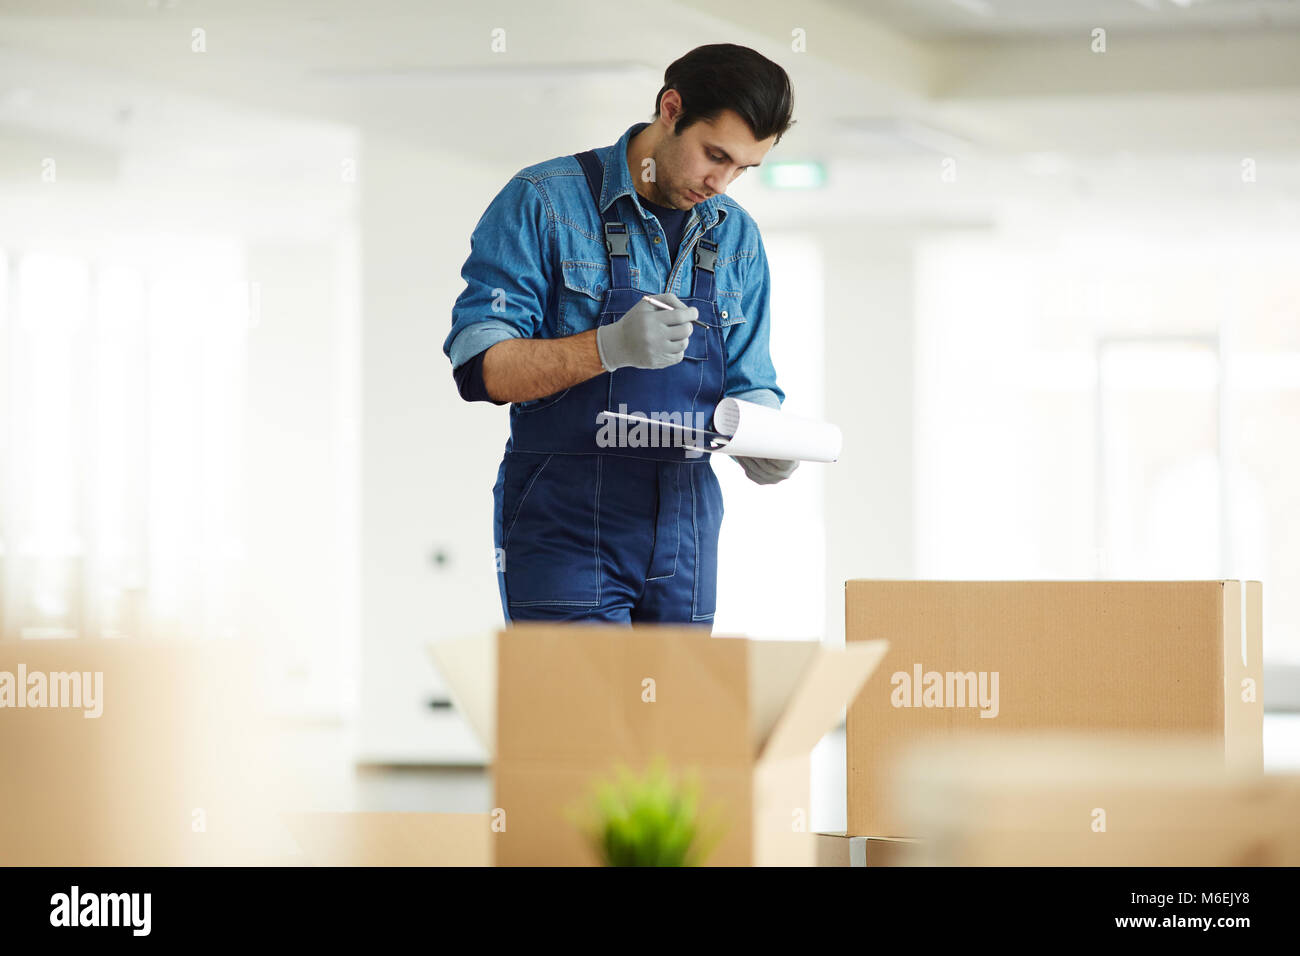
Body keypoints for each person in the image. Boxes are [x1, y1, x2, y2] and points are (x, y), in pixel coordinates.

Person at [444, 43, 799, 630]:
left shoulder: (737, 237)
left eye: (742, 168)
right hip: (564, 527)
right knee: (582, 718)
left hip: (684, 528)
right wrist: (606, 348)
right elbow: (481, 368)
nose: (722, 182)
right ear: (671, 108)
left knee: (670, 721)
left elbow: (751, 381)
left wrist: (768, 439)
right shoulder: (544, 202)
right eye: (714, 155)